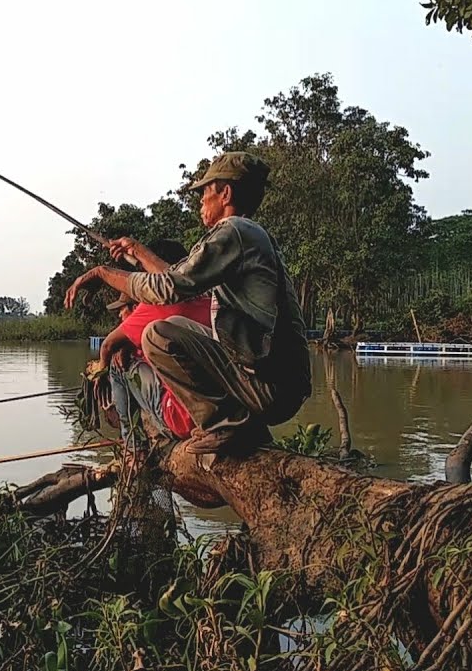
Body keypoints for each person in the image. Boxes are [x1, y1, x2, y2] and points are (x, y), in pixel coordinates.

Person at [65, 151, 311, 458]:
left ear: (226, 193)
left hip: (271, 386)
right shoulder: (248, 235)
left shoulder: (233, 231)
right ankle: (234, 422)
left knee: (157, 335)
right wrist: (137, 250)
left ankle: (225, 424)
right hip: (279, 382)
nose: (200, 202)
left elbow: (169, 288)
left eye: (205, 194)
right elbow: (177, 277)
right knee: (174, 327)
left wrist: (104, 273)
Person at [95, 239, 210, 442]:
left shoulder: (157, 305)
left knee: (116, 365)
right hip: (215, 416)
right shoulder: (209, 300)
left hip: (181, 421)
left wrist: (100, 373)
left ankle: (132, 447)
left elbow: (108, 345)